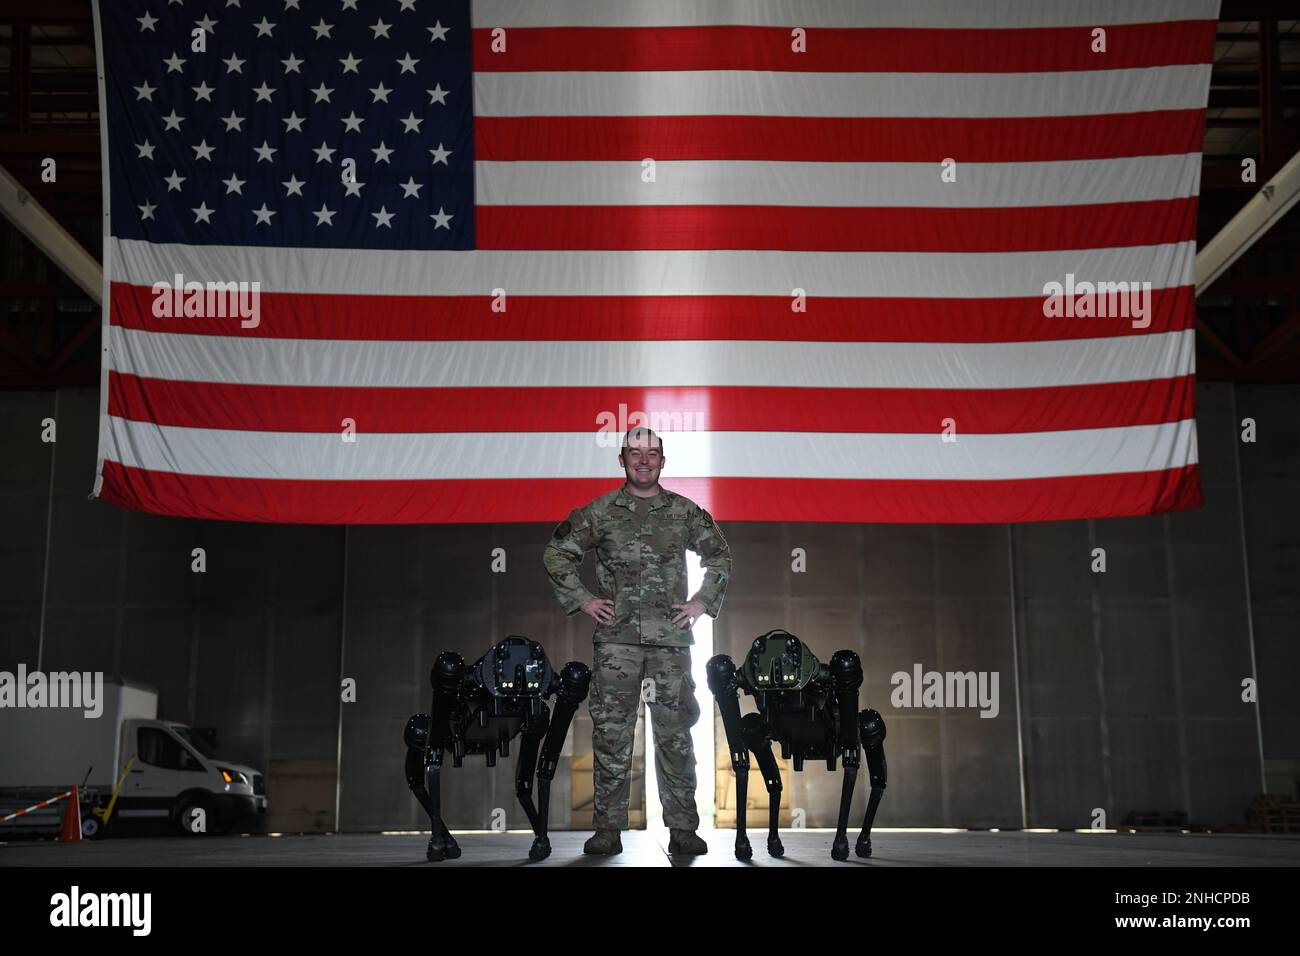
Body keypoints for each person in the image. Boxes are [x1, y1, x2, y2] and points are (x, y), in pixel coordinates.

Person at [543, 426, 732, 855]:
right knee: (612, 735)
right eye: (634, 452)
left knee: (675, 736)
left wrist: (701, 602)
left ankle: (683, 829)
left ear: (663, 461)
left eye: (651, 453)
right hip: (617, 644)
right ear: (622, 460)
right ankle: (607, 830)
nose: (643, 460)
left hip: (670, 642)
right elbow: (557, 552)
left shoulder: (684, 512)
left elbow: (720, 554)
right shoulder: (601, 512)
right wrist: (583, 600)